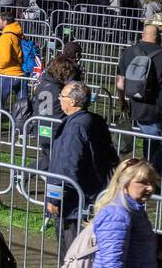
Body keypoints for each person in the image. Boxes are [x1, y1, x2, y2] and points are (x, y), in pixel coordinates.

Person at [115, 19, 162, 175]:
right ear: (160, 37)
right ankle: (152, 172)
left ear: (142, 35)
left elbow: (120, 83)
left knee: (150, 138)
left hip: (138, 105)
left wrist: (122, 101)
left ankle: (148, 170)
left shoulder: (128, 52)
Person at [47, 81, 119, 235]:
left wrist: (54, 199)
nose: (59, 99)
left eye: (62, 96)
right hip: (92, 196)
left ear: (72, 101)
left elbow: (67, 165)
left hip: (74, 204)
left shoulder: (76, 128)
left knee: (72, 252)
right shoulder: (94, 120)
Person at [0, 9, 25, 130]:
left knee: (0, 102)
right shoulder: (18, 33)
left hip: (8, 73)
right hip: (20, 73)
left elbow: (6, 58)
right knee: (22, 103)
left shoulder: (5, 37)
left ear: (5, 21)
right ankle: (21, 127)